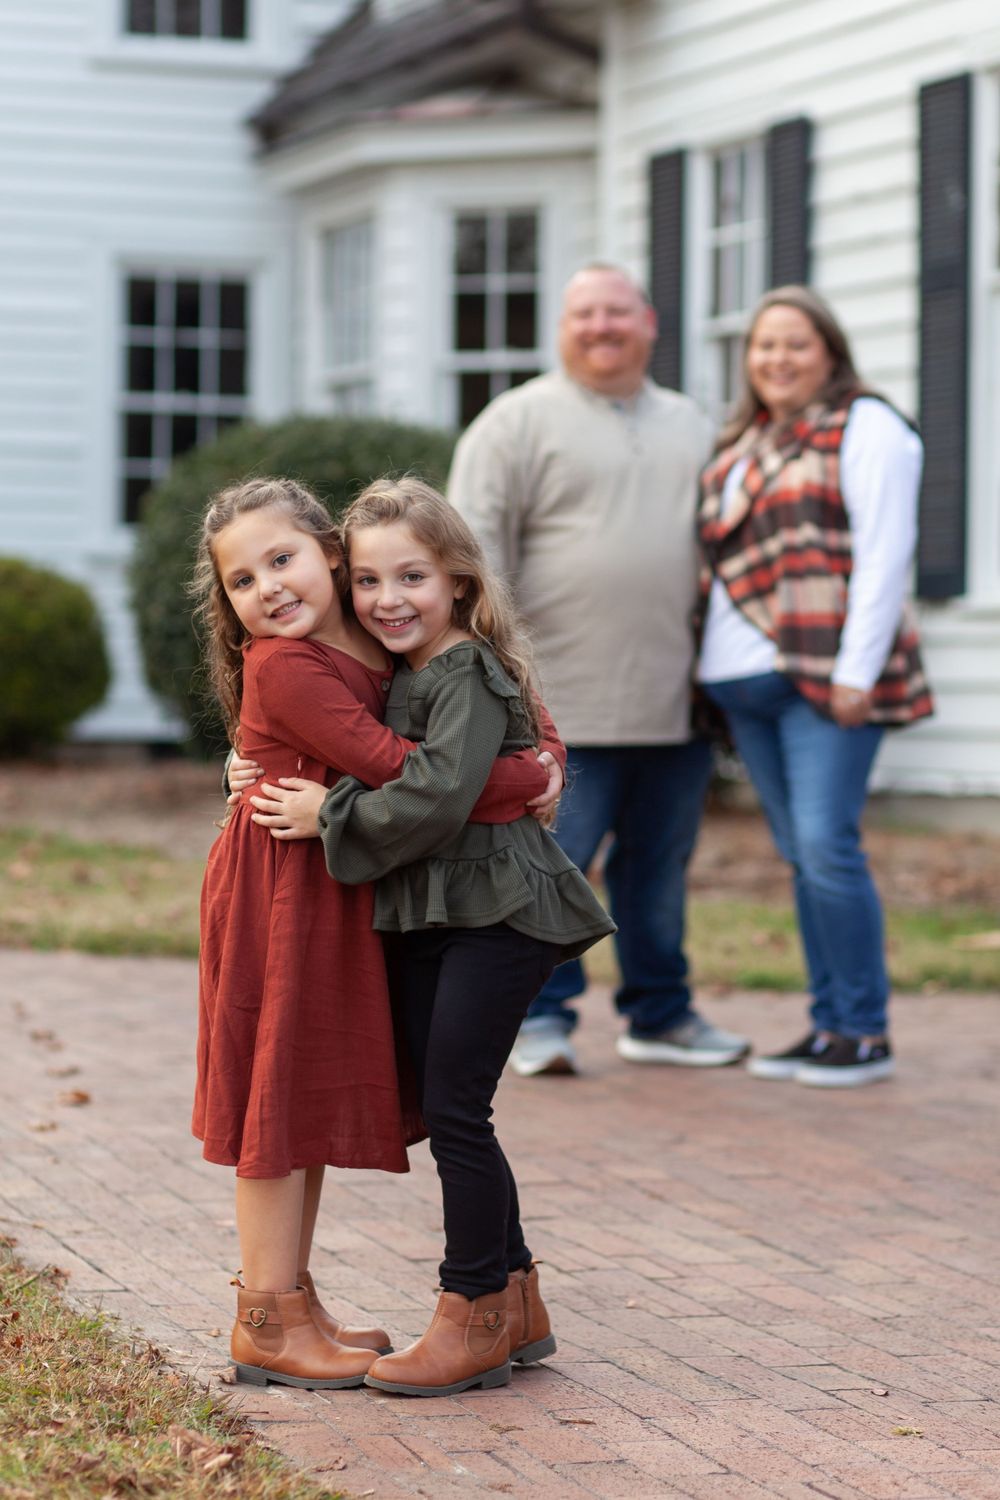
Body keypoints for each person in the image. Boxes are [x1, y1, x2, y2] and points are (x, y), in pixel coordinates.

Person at [249, 477, 615, 1397]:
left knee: (457, 1111)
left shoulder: (464, 665)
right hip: (435, 908)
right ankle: (517, 1295)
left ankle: (474, 1310)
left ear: (457, 578)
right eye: (369, 581)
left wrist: (330, 810)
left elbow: (441, 787)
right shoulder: (386, 657)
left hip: (498, 910)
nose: (387, 599)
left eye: (411, 577)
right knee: (450, 1103)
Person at [448, 262, 751, 1077]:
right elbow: (468, 565)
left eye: (617, 312)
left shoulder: (694, 424)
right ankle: (537, 1018)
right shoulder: (513, 424)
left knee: (658, 875)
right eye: (584, 313)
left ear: (649, 323)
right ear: (562, 326)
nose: (601, 327)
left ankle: (661, 1015)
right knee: (551, 873)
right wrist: (498, 691)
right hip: (557, 707)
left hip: (675, 702)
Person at [696, 286, 934, 1089]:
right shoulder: (748, 438)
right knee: (803, 857)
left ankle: (864, 1032)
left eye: (796, 344)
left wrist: (856, 673)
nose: (778, 359)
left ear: (830, 351)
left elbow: (884, 555)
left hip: (822, 677)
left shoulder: (869, 427)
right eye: (764, 345)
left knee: (829, 848)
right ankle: (828, 1023)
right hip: (742, 682)